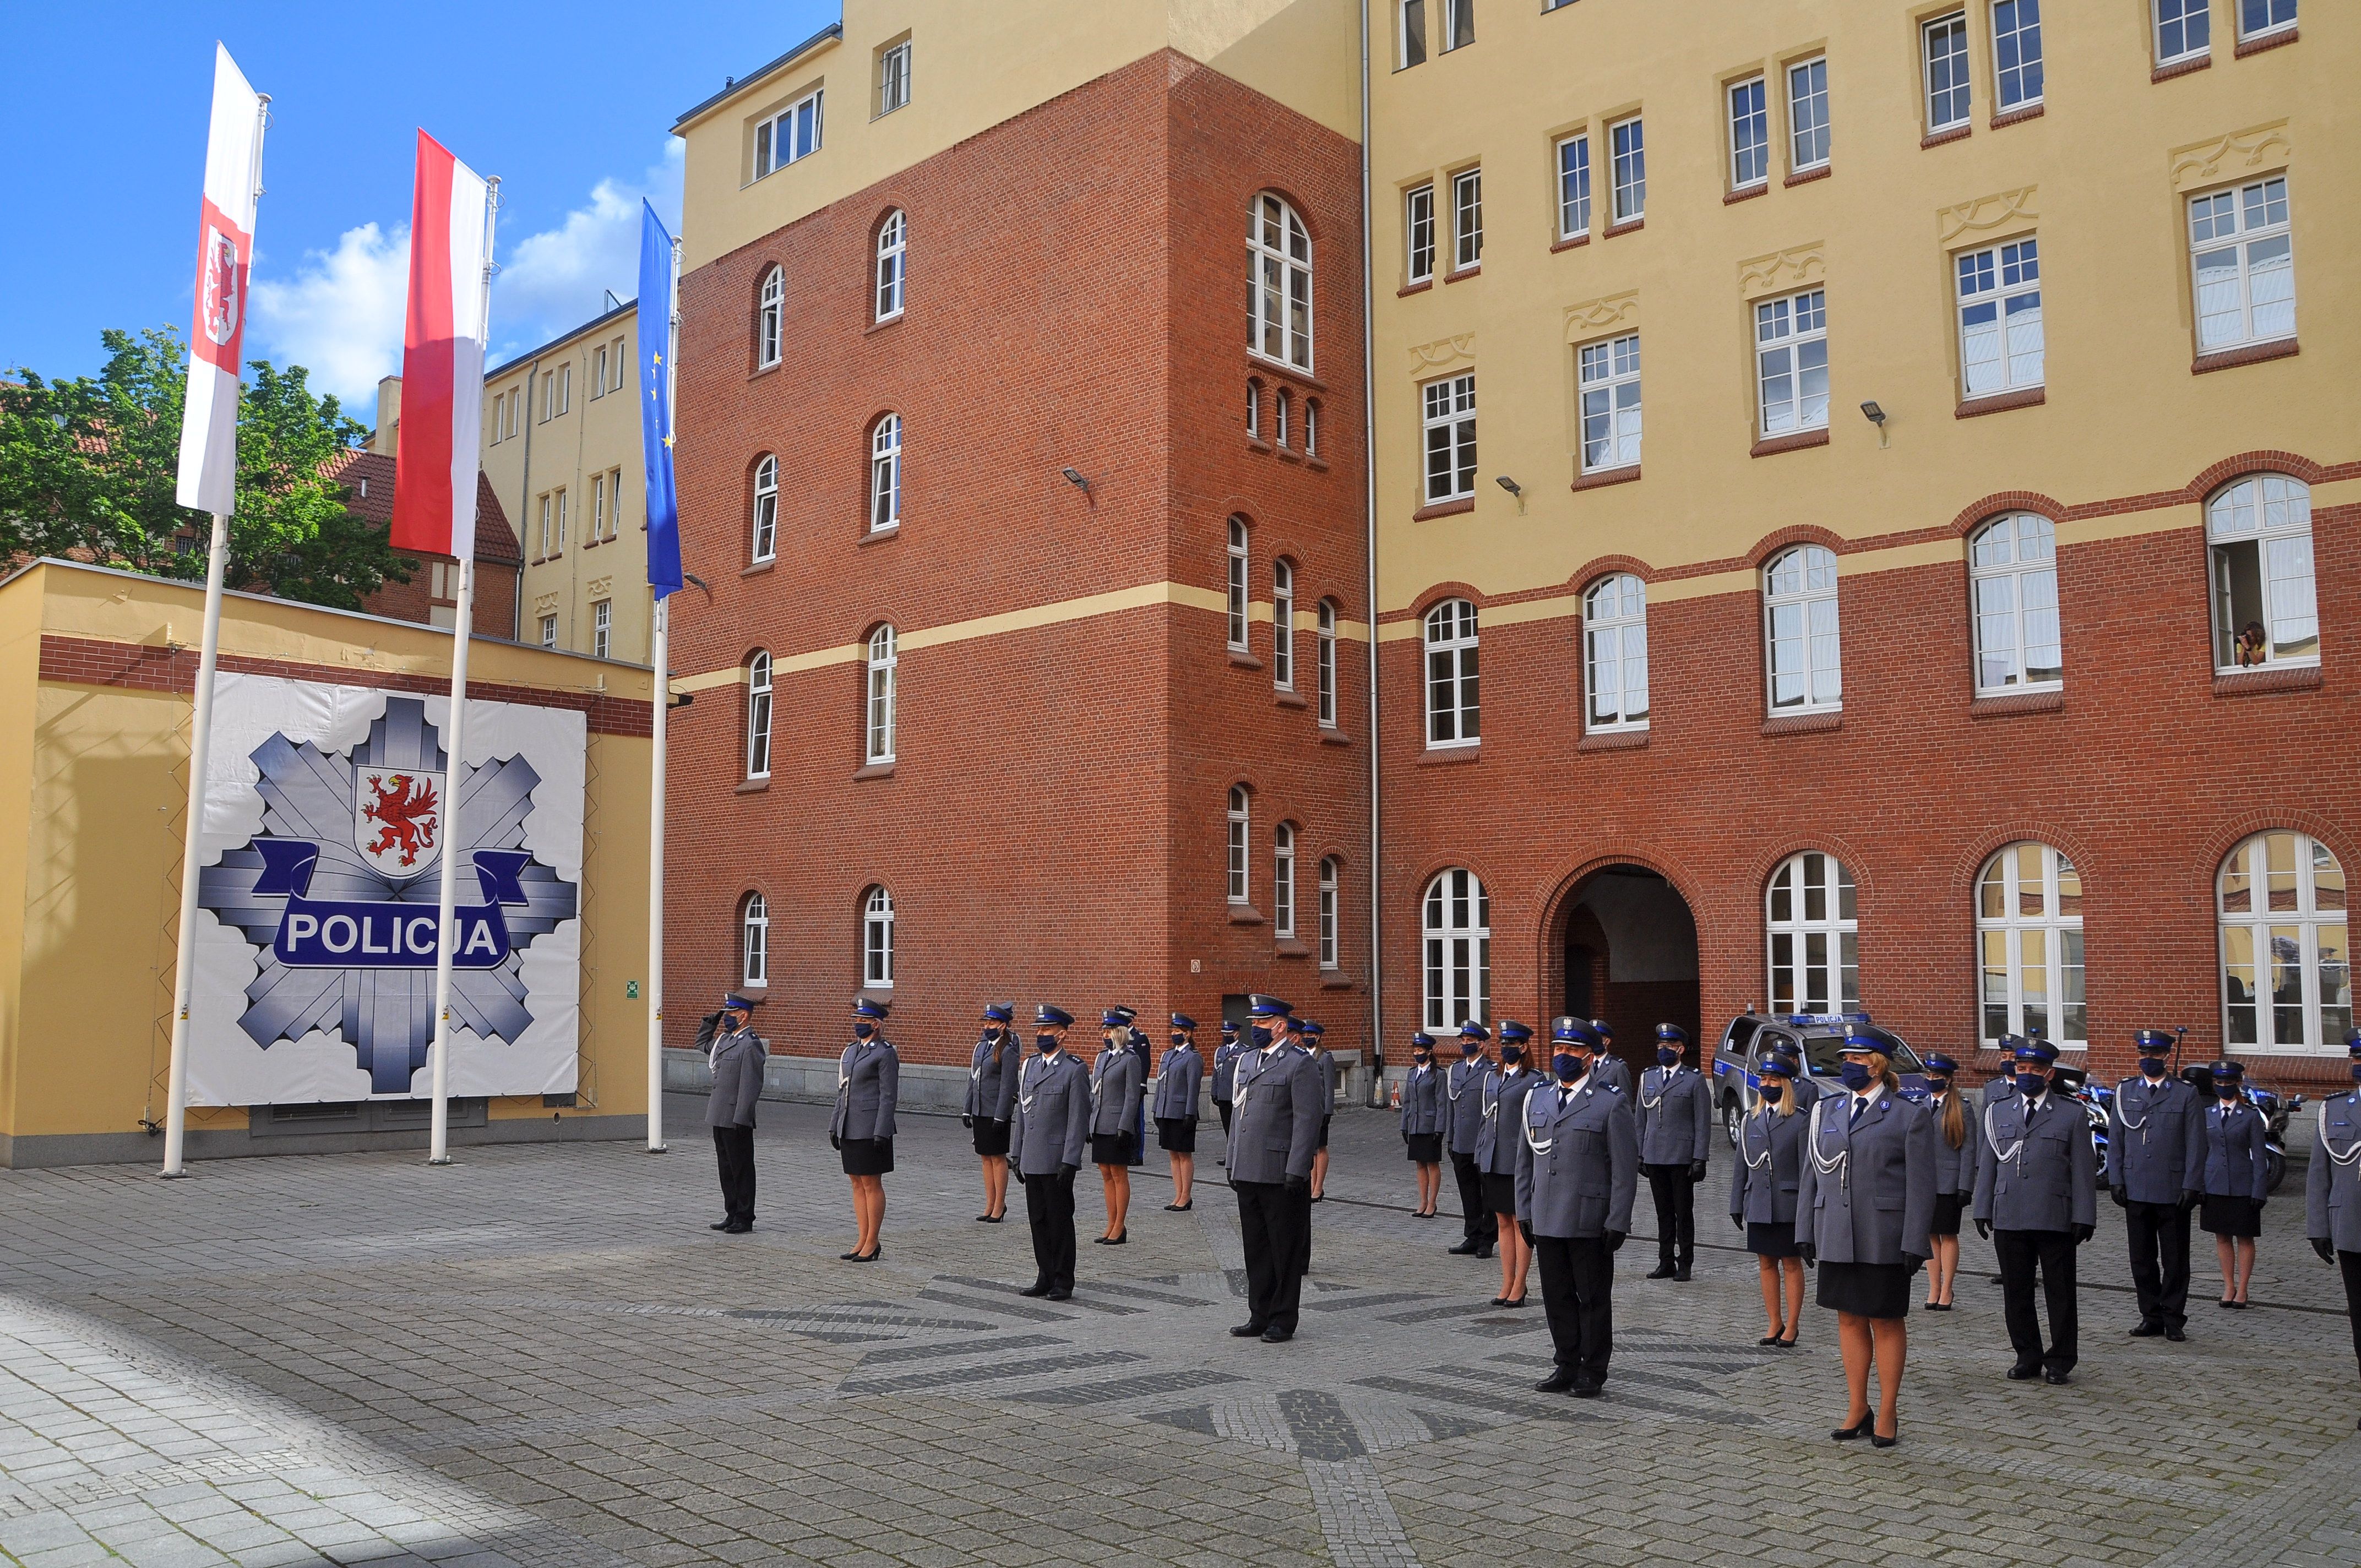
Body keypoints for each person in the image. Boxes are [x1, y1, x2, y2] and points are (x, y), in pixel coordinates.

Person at [1799, 1025, 1936, 1447]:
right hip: (1837, 1231)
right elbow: (1813, 1174)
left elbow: (1922, 1184)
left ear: (1877, 1066)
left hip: (1884, 1235)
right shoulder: (1828, 1110)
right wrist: (1805, 1228)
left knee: (1885, 1320)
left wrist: (1916, 1240)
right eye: (1846, 1060)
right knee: (1848, 1318)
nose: (1849, 1066)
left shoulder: (1908, 1115)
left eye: (1857, 1060)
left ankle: (1889, 1409)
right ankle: (1857, 1405)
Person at [1516, 1019, 1637, 1396]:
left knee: (1593, 1298)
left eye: (1571, 1050)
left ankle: (1592, 1370)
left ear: (1589, 1056)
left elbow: (1624, 1168)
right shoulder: (1537, 1097)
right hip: (1547, 1214)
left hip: (1589, 1219)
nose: (1563, 1056)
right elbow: (1524, 1160)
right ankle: (1566, 1363)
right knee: (1557, 1297)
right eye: (1558, 1049)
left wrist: (1618, 1219)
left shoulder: (1610, 1102)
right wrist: (1523, 1210)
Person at [1973, 1038, 2097, 1384]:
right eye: (2022, 1068)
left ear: (2049, 1073)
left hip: (2055, 1215)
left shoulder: (2072, 1113)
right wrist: (1983, 1207)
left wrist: (2085, 1214)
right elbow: (1989, 1161)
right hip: (2010, 1212)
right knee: (2016, 1291)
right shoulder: (1997, 1110)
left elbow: (2083, 1170)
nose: (2027, 1074)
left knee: (2060, 1292)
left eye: (2036, 1070)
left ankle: (2060, 1359)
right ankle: (2027, 1354)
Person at [1228, 995, 1323, 1342]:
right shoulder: (1249, 1060)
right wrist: (1233, 1158)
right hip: (1249, 1168)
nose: (1256, 1029)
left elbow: (1307, 1120)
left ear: (1281, 1026)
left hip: (1280, 1171)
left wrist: (1297, 1169)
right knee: (1256, 1247)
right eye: (1254, 1023)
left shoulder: (1299, 1064)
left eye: (1262, 1023)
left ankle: (1283, 1319)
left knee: (1284, 1248)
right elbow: (1240, 1115)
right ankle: (1259, 1313)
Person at [2109, 1029, 2204, 1339]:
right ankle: (2150, 1315)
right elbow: (2116, 1140)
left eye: (2155, 1055)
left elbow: (2196, 1143)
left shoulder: (2185, 1093)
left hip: (2172, 1188)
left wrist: (2192, 1184)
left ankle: (2173, 1316)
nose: (2148, 1060)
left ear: (2166, 1056)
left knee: (2175, 1259)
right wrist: (2115, 1178)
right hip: (2136, 1185)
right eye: (2144, 1055)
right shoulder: (2125, 1092)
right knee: (2142, 1258)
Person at [1011, 1005, 1090, 1300]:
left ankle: (1062, 1280)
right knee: (1038, 1221)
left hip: (1057, 1160)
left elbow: (1077, 1119)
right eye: (1039, 1030)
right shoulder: (1030, 1066)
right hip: (1032, 1157)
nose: (1041, 1035)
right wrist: (1016, 1153)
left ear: (1062, 1034)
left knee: (1060, 1222)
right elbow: (1023, 1111)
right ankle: (1044, 1274)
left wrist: (1070, 1160)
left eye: (1046, 1030)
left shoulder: (1074, 1069)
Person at [1730, 1051, 1807, 1346]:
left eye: (1773, 1079)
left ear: (1786, 1084)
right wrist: (1737, 1203)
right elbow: (1742, 1165)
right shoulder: (1752, 1118)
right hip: (1759, 1203)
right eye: (1763, 1078)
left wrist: (1807, 1211)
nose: (1767, 1083)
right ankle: (1774, 1321)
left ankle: (1793, 1324)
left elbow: (1806, 1171)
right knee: (1765, 1264)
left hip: (1788, 1203)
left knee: (1790, 1263)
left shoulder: (1800, 1120)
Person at [2305, 1032, 2361, 1426]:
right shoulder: (2335, 1109)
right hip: (2351, 1229)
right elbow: (2318, 1174)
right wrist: (2317, 1227)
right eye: (2356, 1057)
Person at [1637, 1023, 1711, 1283]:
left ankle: (1686, 1262)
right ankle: (1665, 1260)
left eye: (1669, 1047)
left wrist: (1700, 1157)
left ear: (1680, 1049)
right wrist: (1640, 1152)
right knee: (1663, 1213)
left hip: (1681, 1156)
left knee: (1683, 1212)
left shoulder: (1693, 1079)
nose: (1664, 1050)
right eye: (1660, 1046)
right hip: (1655, 1154)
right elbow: (1641, 1119)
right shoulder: (1648, 1077)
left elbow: (1702, 1121)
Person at [829, 997, 900, 1262]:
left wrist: (882, 1130)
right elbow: (842, 1091)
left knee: (871, 1183)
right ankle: (862, 1237)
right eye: (856, 1020)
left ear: (876, 1024)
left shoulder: (884, 1053)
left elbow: (888, 1095)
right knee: (856, 1182)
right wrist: (835, 1124)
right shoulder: (851, 1051)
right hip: (849, 1125)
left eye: (863, 1021)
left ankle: (873, 1241)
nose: (858, 1025)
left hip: (871, 1127)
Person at [1478, 1022, 1541, 1307]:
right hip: (1493, 1157)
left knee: (1519, 1222)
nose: (1505, 1049)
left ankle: (1520, 1283)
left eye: (1511, 1045)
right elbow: (1487, 1117)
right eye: (1502, 1044)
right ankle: (1506, 1280)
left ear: (1524, 1047)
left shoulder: (1534, 1081)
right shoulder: (1493, 1076)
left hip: (1518, 1161)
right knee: (1502, 1221)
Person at [2199, 1058, 2270, 1309]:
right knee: (2222, 1237)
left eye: (2228, 1082)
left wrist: (2259, 1189)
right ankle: (2228, 1285)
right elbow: (2200, 1152)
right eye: (2219, 1082)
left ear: (2237, 1084)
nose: (2224, 1086)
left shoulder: (2250, 1117)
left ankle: (2243, 1289)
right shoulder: (2206, 1113)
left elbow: (2260, 1157)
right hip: (2215, 1183)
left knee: (2245, 1238)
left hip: (2243, 1184)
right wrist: (2199, 1185)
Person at [1917, 1053, 1980, 1311]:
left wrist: (1966, 1185)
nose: (1932, 1080)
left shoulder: (1961, 1107)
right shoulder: (1921, 1104)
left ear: (1949, 1079)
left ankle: (1947, 1288)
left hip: (1949, 1182)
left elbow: (1968, 1149)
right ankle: (1933, 1286)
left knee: (1948, 1235)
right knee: (1930, 1236)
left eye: (1937, 1077)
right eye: (1929, 1076)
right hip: (1926, 1182)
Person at [703, 994, 766, 1234]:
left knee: (741, 1168)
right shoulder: (726, 1040)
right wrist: (710, 1023)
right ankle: (731, 1212)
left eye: (730, 1014)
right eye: (726, 1014)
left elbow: (751, 1086)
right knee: (726, 1167)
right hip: (719, 1114)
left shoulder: (751, 1044)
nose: (727, 1018)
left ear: (744, 1015)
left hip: (736, 1117)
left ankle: (745, 1216)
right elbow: (702, 1045)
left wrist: (742, 1116)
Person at [1089, 1006, 1144, 1246]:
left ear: (1120, 1032)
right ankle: (1110, 1222)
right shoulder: (1102, 1057)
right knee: (1105, 1174)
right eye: (1104, 1030)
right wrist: (1089, 1123)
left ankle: (1120, 1225)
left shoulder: (1130, 1059)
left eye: (1110, 1030)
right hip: (1101, 1122)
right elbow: (1096, 1092)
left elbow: (1132, 1096)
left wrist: (1125, 1126)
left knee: (1119, 1174)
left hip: (1117, 1124)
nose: (1105, 1034)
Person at [964, 1002, 1021, 1223]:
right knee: (985, 1158)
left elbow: (1008, 1085)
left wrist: (1001, 1114)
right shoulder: (981, 1047)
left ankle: (1000, 1205)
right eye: (986, 1022)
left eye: (992, 1022)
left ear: (1003, 1025)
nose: (987, 1026)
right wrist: (967, 1108)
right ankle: (989, 1203)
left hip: (996, 1111)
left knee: (997, 1158)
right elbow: (973, 1079)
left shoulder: (1008, 1050)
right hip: (980, 1108)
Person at [1445, 1022, 1497, 1259]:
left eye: (1470, 1041)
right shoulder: (1455, 1070)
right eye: (1463, 1041)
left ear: (1482, 1045)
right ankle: (1472, 1234)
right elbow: (1451, 1108)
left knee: (1488, 1193)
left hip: (1482, 1141)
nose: (1466, 1044)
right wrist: (1450, 1137)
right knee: (1468, 1191)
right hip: (1461, 1142)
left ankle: (1488, 1238)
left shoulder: (1491, 1071)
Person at [1155, 1014, 1205, 1211]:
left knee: (1184, 1154)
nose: (1174, 1034)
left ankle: (1186, 1196)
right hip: (1167, 1110)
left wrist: (1190, 1113)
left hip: (1182, 1111)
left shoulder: (1192, 1057)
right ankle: (1178, 1194)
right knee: (1173, 1154)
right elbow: (1161, 1083)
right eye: (1173, 1031)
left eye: (1178, 1031)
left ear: (1187, 1034)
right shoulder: (1168, 1055)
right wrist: (1157, 1108)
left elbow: (1194, 1087)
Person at [1399, 1032, 1445, 1218]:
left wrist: (1440, 1128)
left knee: (1432, 1164)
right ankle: (1423, 1201)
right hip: (1415, 1124)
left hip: (1430, 1124)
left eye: (1420, 1050)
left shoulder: (1438, 1074)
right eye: (1415, 1050)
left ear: (1429, 1052)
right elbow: (1408, 1102)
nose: (1417, 1054)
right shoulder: (1412, 1073)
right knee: (1419, 1164)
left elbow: (1442, 1103)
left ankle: (1433, 1203)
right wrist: (1404, 1124)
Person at [1303, 1020, 1337, 1201]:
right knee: (1311, 1148)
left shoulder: (1325, 1058)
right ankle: (1311, 1185)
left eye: (1310, 1035)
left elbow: (1330, 1087)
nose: (1306, 1038)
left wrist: (1328, 1111)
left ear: (1317, 1037)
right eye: (1305, 1035)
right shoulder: (1302, 1056)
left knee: (1321, 1147)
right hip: (1306, 1109)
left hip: (1320, 1109)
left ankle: (1318, 1187)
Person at [1211, 1021, 1244, 1168]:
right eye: (1224, 1034)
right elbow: (1216, 1073)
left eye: (1229, 1034)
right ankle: (1230, 1155)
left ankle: (1239, 1156)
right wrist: (1214, 1091)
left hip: (1236, 1096)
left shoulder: (1243, 1051)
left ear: (1236, 1034)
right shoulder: (1220, 1051)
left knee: (1237, 1127)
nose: (1226, 1037)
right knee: (1227, 1127)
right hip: (1223, 1095)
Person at [1588, 1019, 1633, 1095]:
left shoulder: (1618, 1067)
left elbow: (1626, 1098)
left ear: (1607, 1041)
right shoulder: (1585, 1063)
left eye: (1598, 1039)